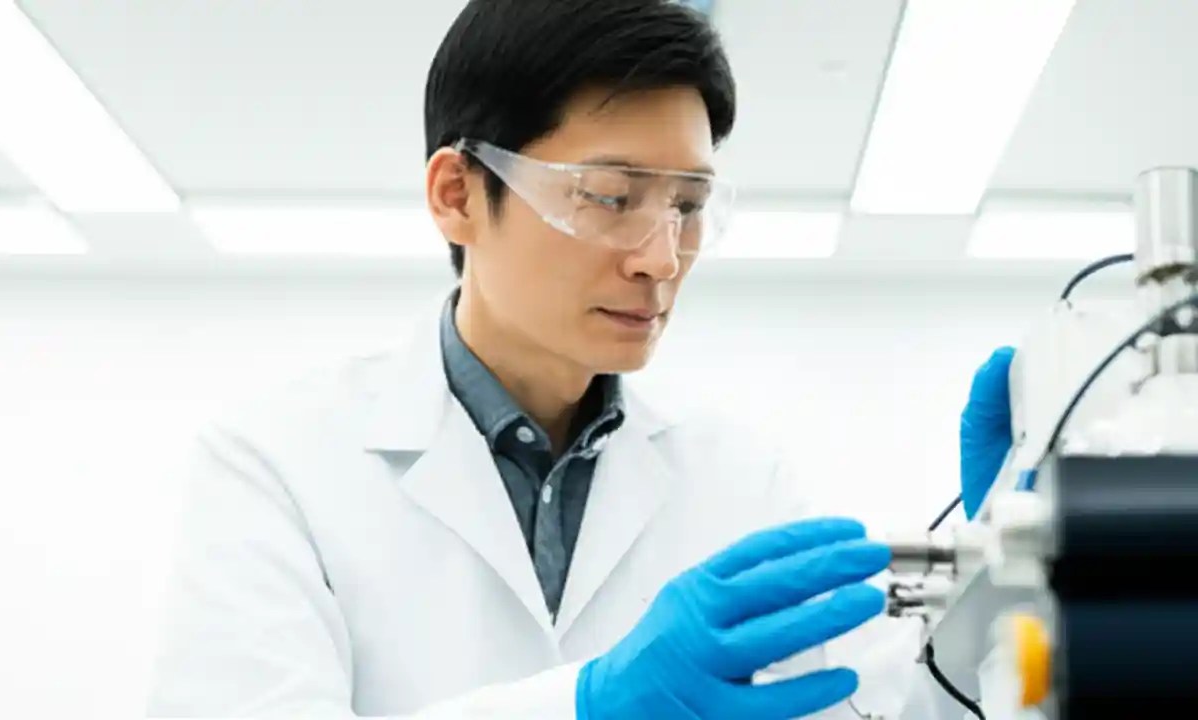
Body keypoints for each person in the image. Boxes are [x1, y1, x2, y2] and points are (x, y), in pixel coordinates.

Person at [147, 1, 1016, 717]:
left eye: (689, 204)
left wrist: (1001, 587)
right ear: (457, 196)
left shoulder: (739, 478)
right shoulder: (277, 463)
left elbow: (866, 706)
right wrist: (587, 704)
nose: (661, 256)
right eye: (610, 197)